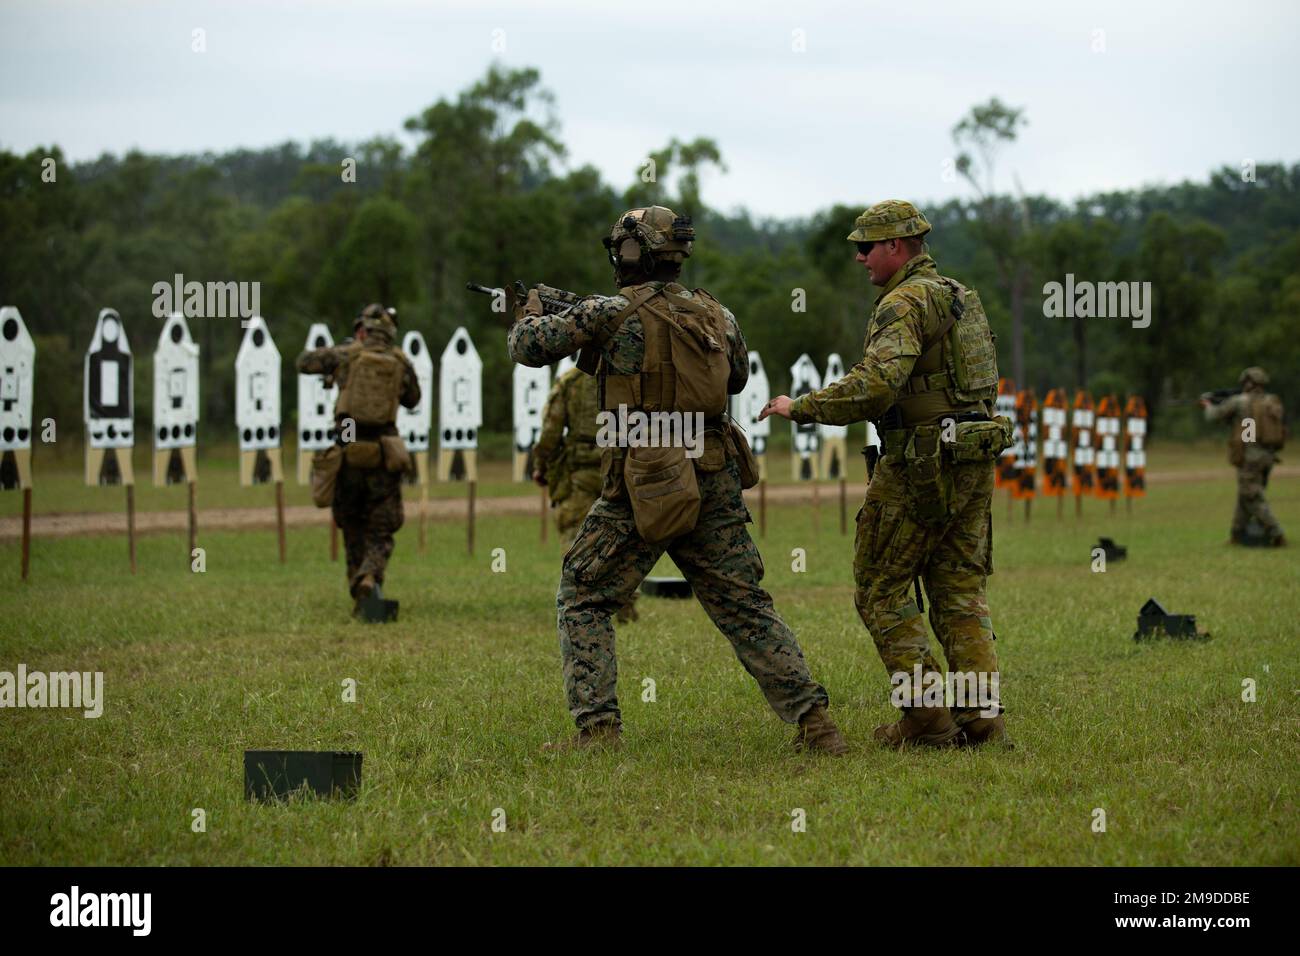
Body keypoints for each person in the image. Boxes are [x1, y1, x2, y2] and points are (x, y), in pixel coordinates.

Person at [508, 205, 846, 754]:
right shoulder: (719, 315)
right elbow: (734, 376)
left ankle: (597, 731)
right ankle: (816, 724)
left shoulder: (608, 313)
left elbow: (527, 348)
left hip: (642, 482)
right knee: (744, 605)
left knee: (583, 594)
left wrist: (530, 313)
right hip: (712, 471)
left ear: (631, 253)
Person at [762, 200, 1011, 749]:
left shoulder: (902, 302)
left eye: (865, 247)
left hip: (921, 461)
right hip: (972, 455)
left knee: (880, 588)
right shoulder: (960, 296)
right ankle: (980, 718)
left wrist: (800, 406)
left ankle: (925, 721)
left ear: (896, 247)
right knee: (959, 587)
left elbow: (876, 386)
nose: (859, 258)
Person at [298, 304, 421, 614]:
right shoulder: (400, 361)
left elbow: (303, 363)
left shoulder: (346, 355)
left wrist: (338, 358)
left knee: (352, 524)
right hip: (383, 448)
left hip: (349, 446)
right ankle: (370, 575)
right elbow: (413, 399)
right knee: (381, 528)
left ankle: (359, 589)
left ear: (363, 330)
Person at [534, 365, 638, 622]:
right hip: (620, 467)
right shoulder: (627, 378)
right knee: (622, 539)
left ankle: (579, 604)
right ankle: (625, 606)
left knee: (574, 535)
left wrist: (541, 465)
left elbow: (550, 430)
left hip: (579, 472)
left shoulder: (570, 382)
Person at [1202, 367, 1287, 546]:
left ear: (1247, 383)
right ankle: (1237, 534)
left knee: (1252, 497)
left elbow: (1213, 416)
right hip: (1268, 456)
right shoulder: (1271, 401)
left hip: (1250, 457)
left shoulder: (1240, 401)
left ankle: (1276, 532)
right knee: (1246, 494)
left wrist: (1207, 405)